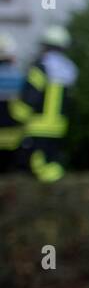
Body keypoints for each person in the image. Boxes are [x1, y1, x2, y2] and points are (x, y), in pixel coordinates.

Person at [1, 25, 77, 182]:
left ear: (45, 45)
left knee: (33, 168)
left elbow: (30, 96)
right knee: (51, 165)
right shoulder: (69, 70)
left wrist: (14, 115)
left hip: (37, 127)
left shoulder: (40, 67)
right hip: (58, 127)